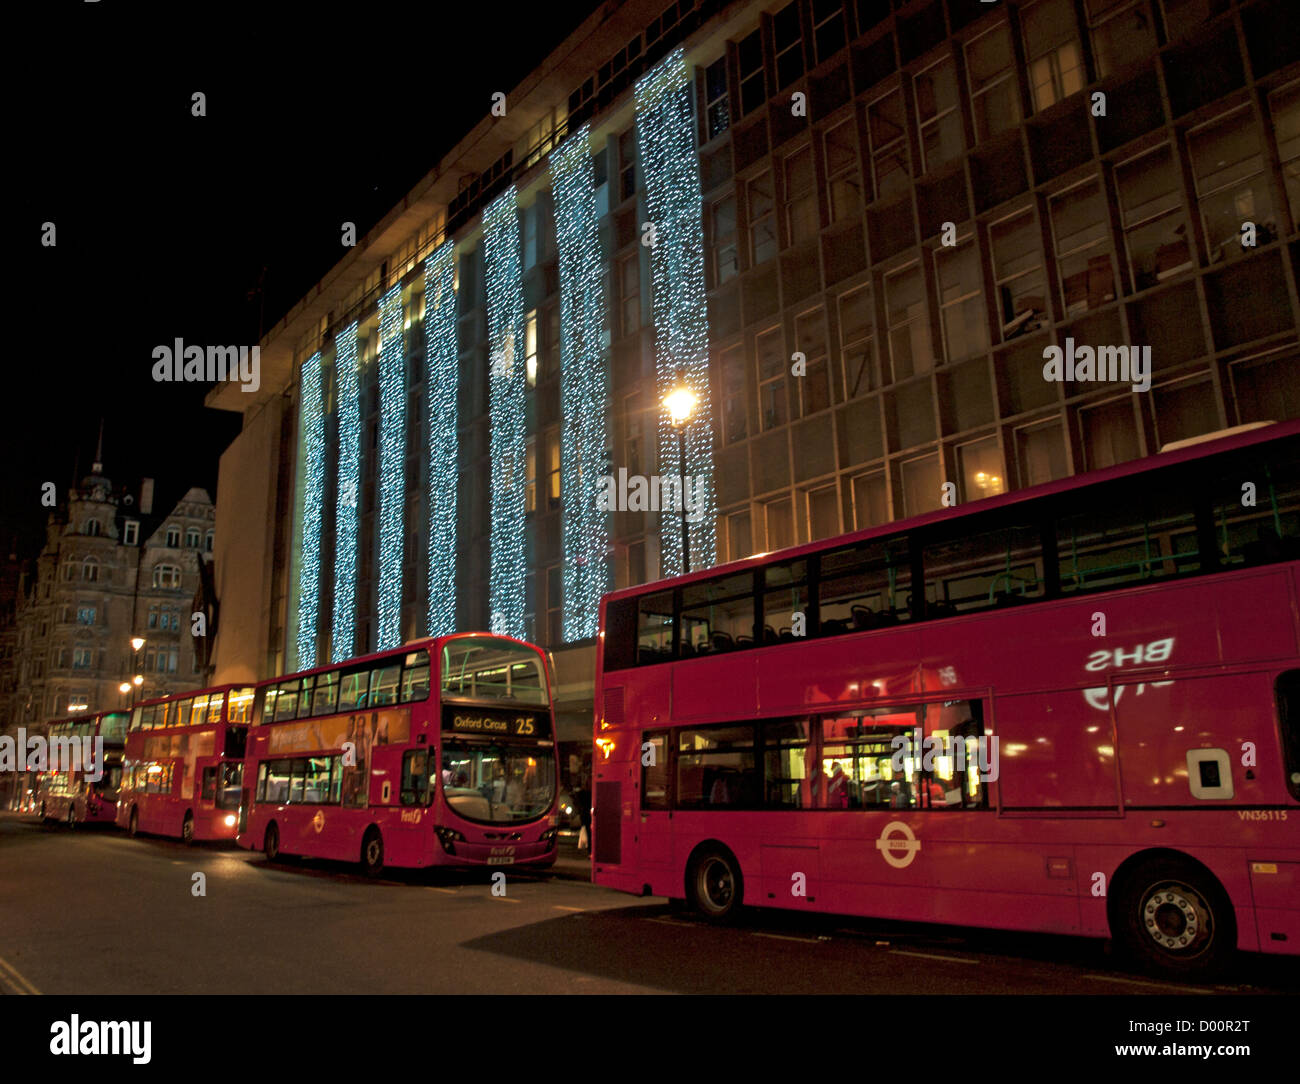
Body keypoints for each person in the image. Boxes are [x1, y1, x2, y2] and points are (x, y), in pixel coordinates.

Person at [574, 775, 592, 853]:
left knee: (588, 832)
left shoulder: (582, 793)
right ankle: (590, 849)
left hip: (585, 815)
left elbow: (578, 802)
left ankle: (589, 849)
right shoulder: (589, 793)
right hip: (587, 815)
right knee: (589, 832)